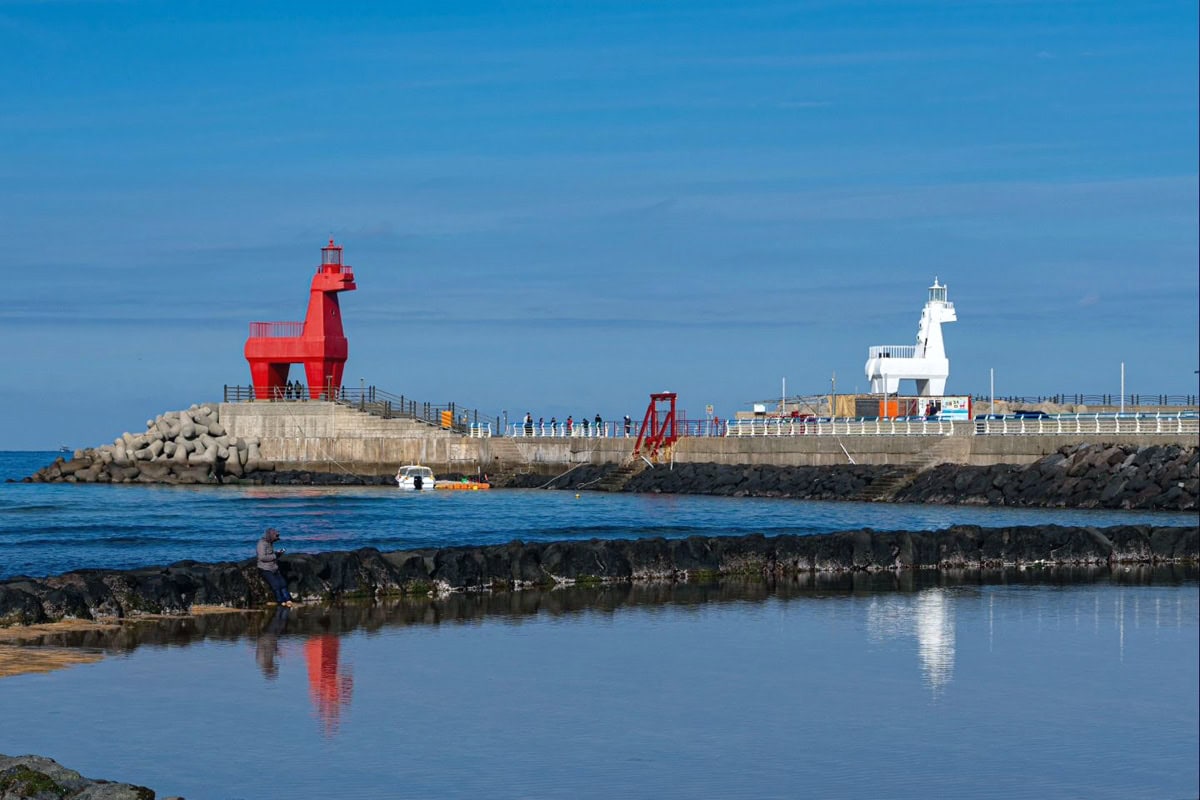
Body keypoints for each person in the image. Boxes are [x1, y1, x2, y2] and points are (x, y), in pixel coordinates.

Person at [257, 527, 294, 607]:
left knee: (283, 583)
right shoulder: (261, 544)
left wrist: (278, 553)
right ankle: (280, 600)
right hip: (265, 568)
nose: (276, 539)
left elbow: (270, 554)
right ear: (270, 536)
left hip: (274, 567)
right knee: (276, 584)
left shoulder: (270, 543)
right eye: (276, 537)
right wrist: (275, 555)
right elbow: (262, 557)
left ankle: (287, 599)